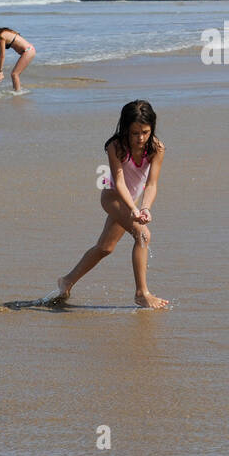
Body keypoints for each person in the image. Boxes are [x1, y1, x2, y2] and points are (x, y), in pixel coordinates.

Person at [52, 100, 168, 309]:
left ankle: (67, 281)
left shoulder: (157, 148)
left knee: (105, 248)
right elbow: (120, 181)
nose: (140, 138)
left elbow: (151, 184)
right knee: (143, 234)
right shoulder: (115, 146)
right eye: (134, 133)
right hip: (113, 196)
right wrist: (133, 209)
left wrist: (145, 208)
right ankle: (141, 293)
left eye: (145, 132)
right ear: (125, 129)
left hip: (132, 201)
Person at [0, 23, 35, 91]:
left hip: (28, 51)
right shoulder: (4, 31)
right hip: (29, 49)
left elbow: (2, 55)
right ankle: (17, 90)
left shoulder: (1, 36)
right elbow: (0, 56)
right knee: (15, 74)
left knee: (14, 74)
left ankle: (18, 94)